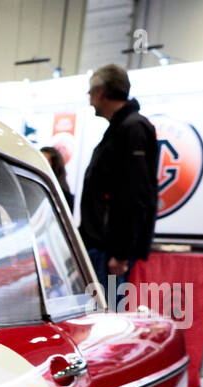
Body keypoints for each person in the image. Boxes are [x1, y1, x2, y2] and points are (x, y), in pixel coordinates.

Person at [79, 64, 158, 308]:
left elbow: (133, 194)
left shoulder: (132, 128)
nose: (90, 100)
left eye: (91, 93)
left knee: (106, 315)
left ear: (101, 92)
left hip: (110, 248)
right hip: (104, 244)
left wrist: (121, 252)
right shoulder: (120, 129)